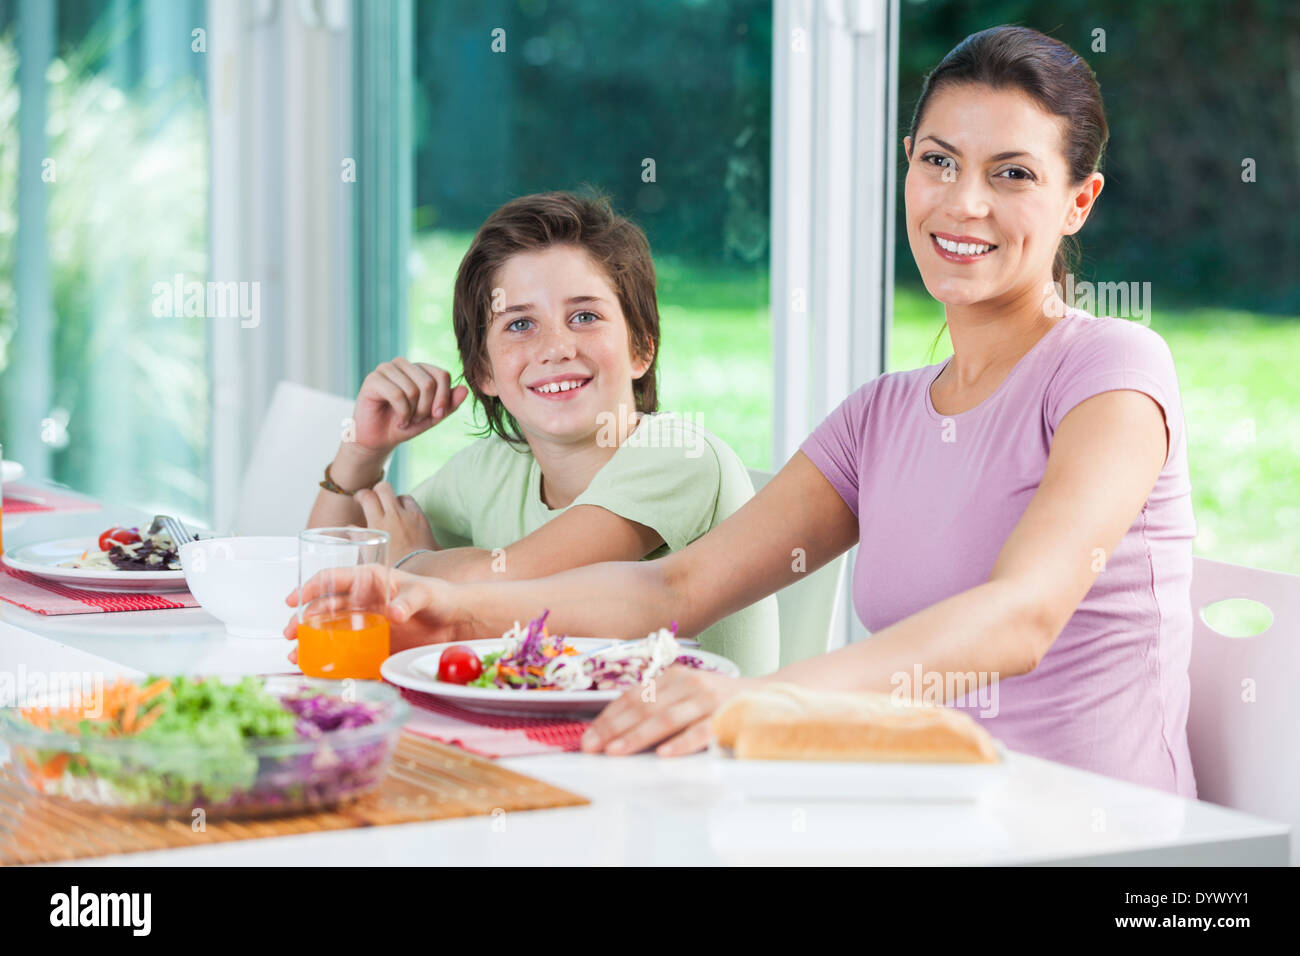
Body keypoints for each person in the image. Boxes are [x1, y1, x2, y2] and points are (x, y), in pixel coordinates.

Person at [291, 27, 1197, 797]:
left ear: (1079, 202)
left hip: (1098, 838)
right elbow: (674, 589)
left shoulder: (1112, 371)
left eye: (1012, 174)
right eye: (937, 161)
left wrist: (771, 698)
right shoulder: (878, 416)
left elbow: (1021, 615)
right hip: (921, 811)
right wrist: (449, 607)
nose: (964, 202)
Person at [301, 191, 779, 676]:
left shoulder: (681, 456)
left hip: (694, 746)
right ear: (483, 370)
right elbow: (323, 592)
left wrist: (411, 563)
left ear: (641, 348)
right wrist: (362, 452)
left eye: (585, 316)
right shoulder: (489, 469)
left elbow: (518, 576)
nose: (556, 348)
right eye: (521, 323)